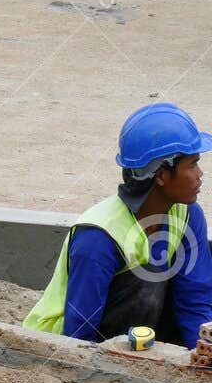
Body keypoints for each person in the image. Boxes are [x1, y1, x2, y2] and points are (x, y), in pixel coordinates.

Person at [24, 103, 212, 347]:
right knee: (148, 274)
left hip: (135, 333)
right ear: (162, 174)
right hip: (55, 344)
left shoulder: (187, 214)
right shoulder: (99, 236)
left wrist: (203, 357)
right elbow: (79, 331)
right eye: (192, 164)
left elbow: (195, 299)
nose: (200, 174)